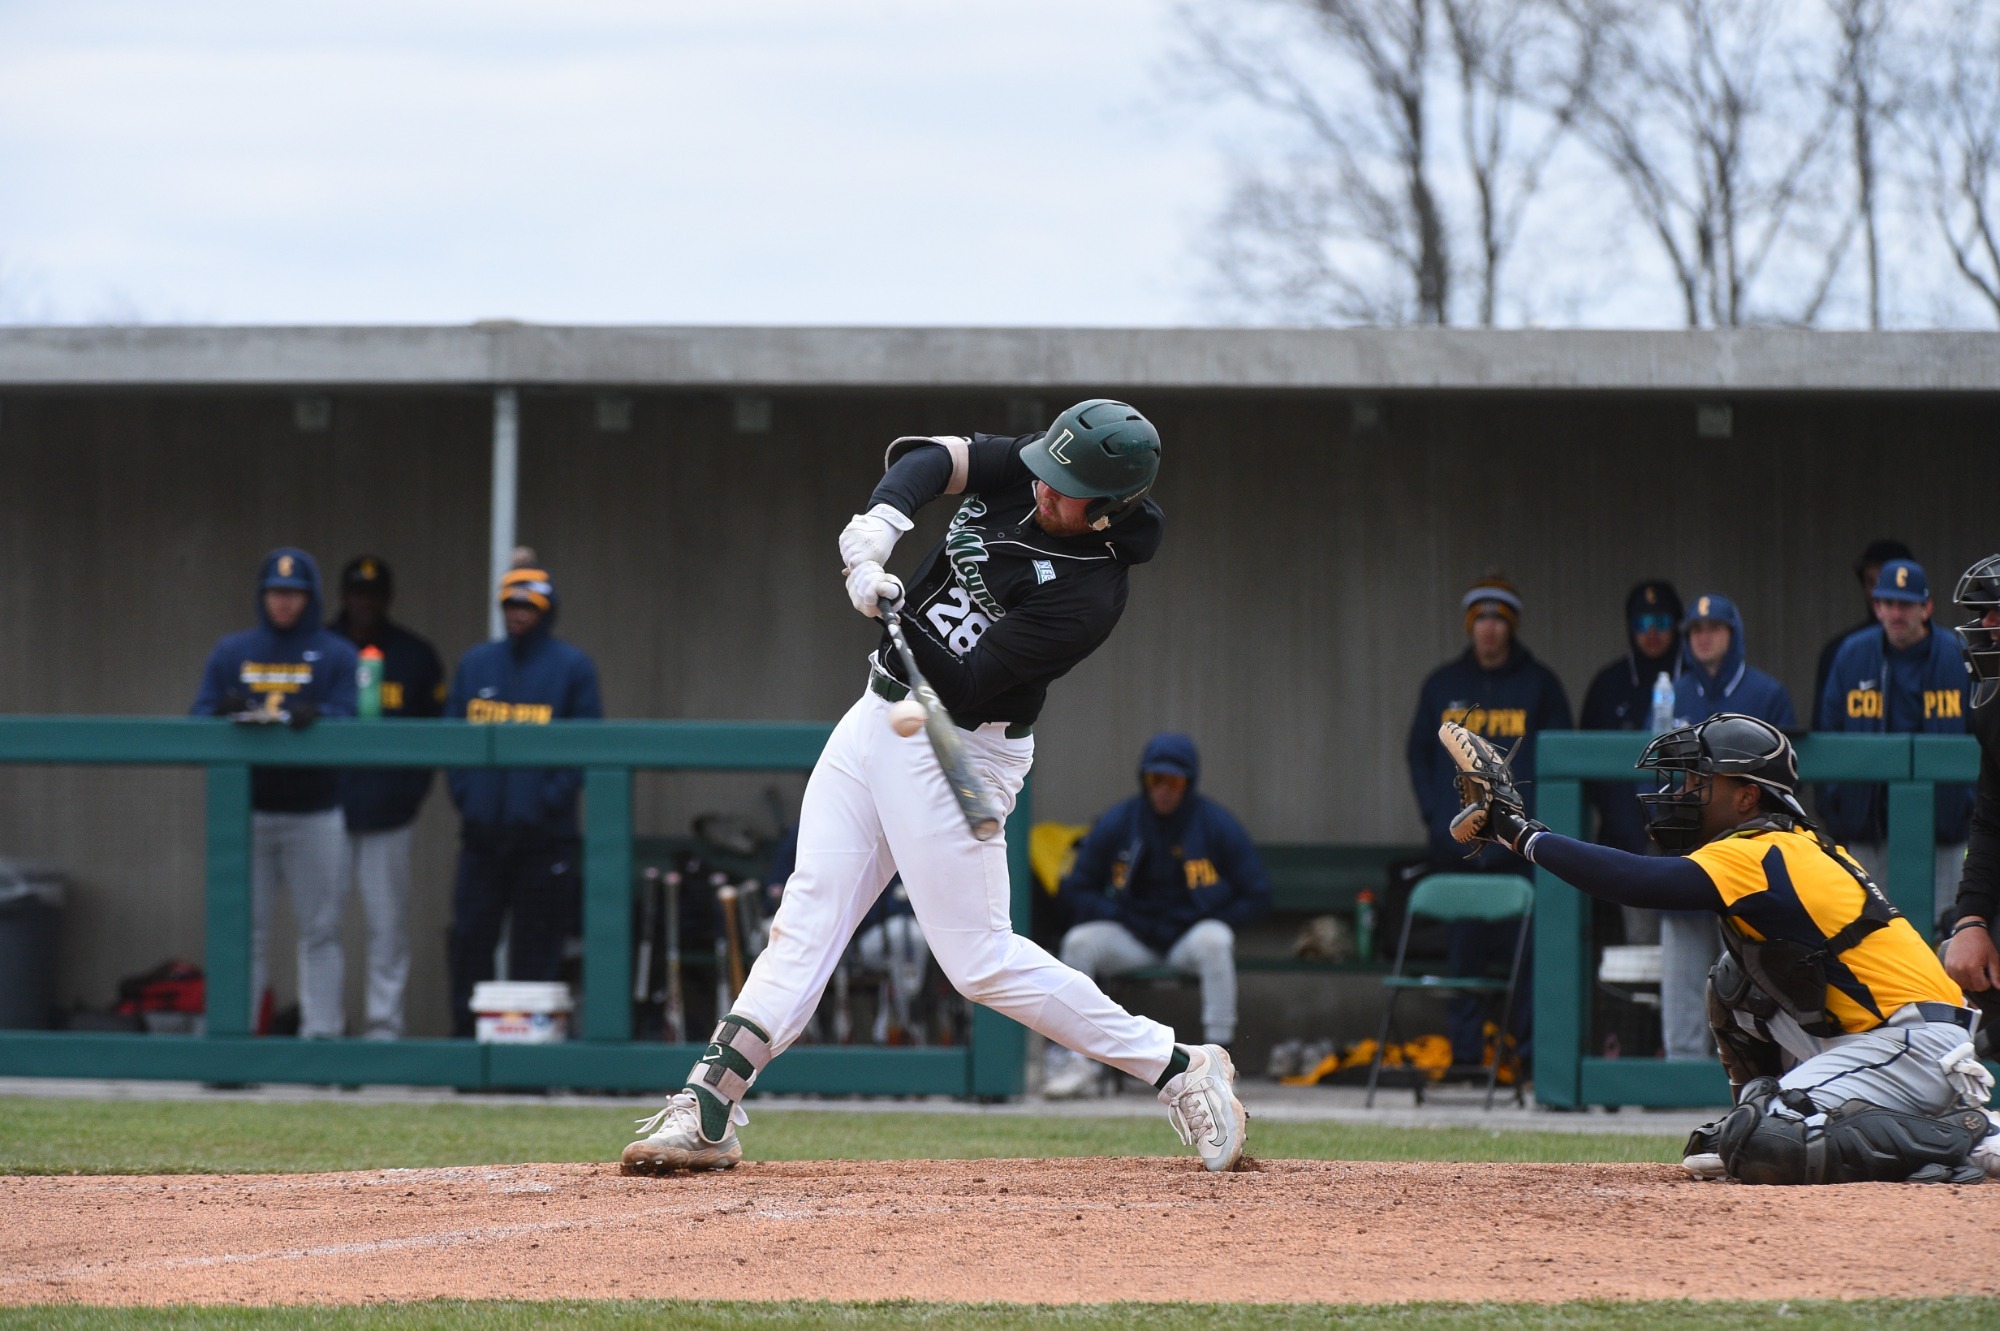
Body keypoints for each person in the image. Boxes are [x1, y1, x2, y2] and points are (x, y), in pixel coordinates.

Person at [622, 399, 1250, 1176]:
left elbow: (966, 680)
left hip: (955, 738)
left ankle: (1179, 1063)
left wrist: (892, 610)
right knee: (808, 911)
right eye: (1047, 473)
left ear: (1109, 509)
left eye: (1067, 490)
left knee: (978, 960)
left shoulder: (1090, 595)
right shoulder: (1037, 469)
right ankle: (709, 1102)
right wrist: (882, 524)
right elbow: (928, 459)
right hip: (876, 716)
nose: (1045, 491)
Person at [1443, 712, 1999, 1185]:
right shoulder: (1783, 844)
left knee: (1766, 1136)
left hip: (1913, 1045)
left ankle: (1961, 1139)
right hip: (1882, 1040)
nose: (1682, 793)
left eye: (1699, 782)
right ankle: (1770, 1117)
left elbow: (1637, 882)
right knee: (1734, 985)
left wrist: (1521, 832)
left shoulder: (1761, 846)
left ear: (1747, 796)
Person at [1044, 733, 1271, 1098]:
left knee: (1215, 940)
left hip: (1187, 937)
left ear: (1189, 782)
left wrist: (1205, 914)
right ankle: (1078, 1062)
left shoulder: (1214, 823)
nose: (1164, 790)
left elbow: (1257, 893)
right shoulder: (1122, 820)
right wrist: (1121, 915)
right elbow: (1076, 888)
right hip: (1134, 934)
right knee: (1079, 942)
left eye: (1174, 781)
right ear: (1144, 780)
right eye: (1155, 779)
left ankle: (1220, 1062)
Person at [1406, 573, 1572, 1069]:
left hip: (1519, 852)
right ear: (1469, 626)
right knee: (1464, 962)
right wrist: (1438, 817)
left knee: (1526, 964)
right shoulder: (1443, 685)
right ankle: (1464, 1063)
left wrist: (1531, 823)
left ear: (1512, 626)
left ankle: (1526, 1061)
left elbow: (1557, 759)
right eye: (1481, 618)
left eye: (1499, 618)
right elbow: (1417, 754)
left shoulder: (1540, 685)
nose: (1490, 629)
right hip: (1460, 851)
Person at [190, 549, 357, 1037]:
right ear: (262, 596)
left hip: (315, 812)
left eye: (294, 594)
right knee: (244, 934)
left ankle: (322, 1041)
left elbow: (353, 719)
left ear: (311, 597)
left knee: (321, 932)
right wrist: (224, 710)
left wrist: (319, 717)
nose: (283, 603)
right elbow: (195, 720)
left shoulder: (336, 653)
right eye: (275, 593)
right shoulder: (231, 651)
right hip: (248, 811)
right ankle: (232, 1042)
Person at [443, 553, 603, 1037]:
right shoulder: (476, 664)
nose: (518, 614)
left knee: (537, 949)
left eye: (528, 606)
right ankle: (466, 1052)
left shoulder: (572, 667)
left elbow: (585, 748)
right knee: (470, 941)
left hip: (544, 841)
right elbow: (452, 741)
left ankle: (531, 1058)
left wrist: (542, 805)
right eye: (511, 605)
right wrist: (470, 799)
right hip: (482, 839)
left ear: (546, 610)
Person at [1655, 594, 1800, 1062]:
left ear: (1732, 634)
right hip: (1685, 846)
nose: (1704, 637)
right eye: (1696, 630)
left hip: (1748, 853)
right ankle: (1680, 1067)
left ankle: (1754, 1071)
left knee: (1754, 964)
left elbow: (1787, 782)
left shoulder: (1765, 692)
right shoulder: (1673, 692)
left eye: (1714, 628)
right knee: (1682, 962)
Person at [1817, 558, 1976, 926]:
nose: (1896, 613)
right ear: (1876, 606)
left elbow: (1983, 735)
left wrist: (1969, 808)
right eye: (1887, 603)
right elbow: (1828, 733)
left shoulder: (1958, 656)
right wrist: (1838, 808)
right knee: (1872, 936)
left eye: (1905, 604)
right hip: (1870, 831)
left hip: (1945, 833)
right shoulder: (1853, 655)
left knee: (1947, 934)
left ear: (1927, 607)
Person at [331, 556, 445, 1040]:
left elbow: (438, 737)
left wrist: (409, 795)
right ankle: (325, 1031)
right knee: (323, 929)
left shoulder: (415, 655)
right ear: (344, 596)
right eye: (357, 593)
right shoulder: (322, 649)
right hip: (326, 813)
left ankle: (383, 1030)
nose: (364, 603)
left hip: (389, 815)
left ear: (386, 599)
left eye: (373, 595)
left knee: (387, 928)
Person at [1580, 579, 1682, 857]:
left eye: (1660, 622)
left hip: (1689, 839)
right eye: (1641, 623)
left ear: (1676, 625)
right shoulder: (1608, 684)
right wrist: (1616, 812)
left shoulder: (1693, 682)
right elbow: (1586, 763)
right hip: (1620, 839)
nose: (1651, 632)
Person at [1941, 554, 2000, 1031]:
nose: (1989, 625)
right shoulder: (1993, 705)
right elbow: (1990, 822)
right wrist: (1971, 921)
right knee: (1968, 951)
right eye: (1986, 613)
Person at [1813, 539, 1914, 724]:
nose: (1878, 592)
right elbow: (1824, 733)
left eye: (1886, 583)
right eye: (1871, 582)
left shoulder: (1948, 653)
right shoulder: (1841, 652)